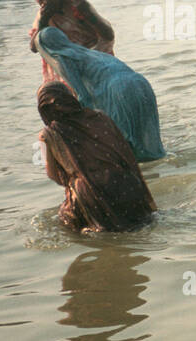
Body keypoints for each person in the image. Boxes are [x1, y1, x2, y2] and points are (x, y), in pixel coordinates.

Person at [36, 82, 156, 233]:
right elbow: (125, 155)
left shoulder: (48, 134)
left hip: (92, 198)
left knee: (66, 223)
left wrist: (76, 180)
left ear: (43, 109)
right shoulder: (100, 117)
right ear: (71, 98)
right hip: (128, 186)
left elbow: (54, 175)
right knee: (143, 226)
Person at [34, 27, 165, 162]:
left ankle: (142, 179)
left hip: (119, 89)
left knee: (125, 148)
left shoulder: (63, 58)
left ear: (46, 48)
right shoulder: (91, 53)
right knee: (147, 144)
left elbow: (83, 96)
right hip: (141, 83)